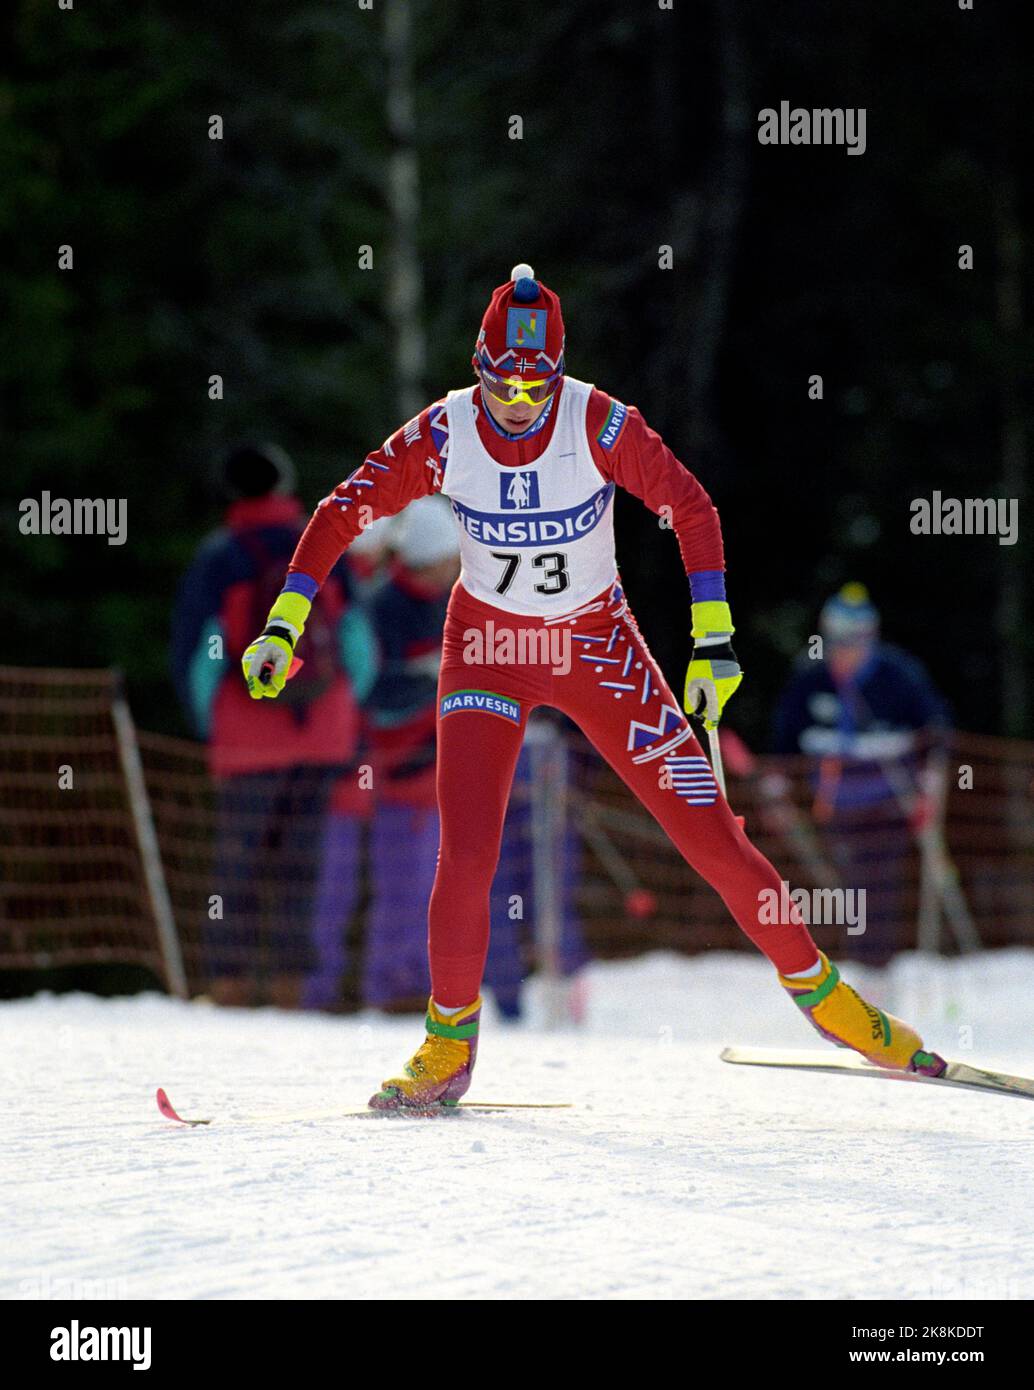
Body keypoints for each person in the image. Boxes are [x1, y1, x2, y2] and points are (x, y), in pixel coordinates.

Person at [240, 266, 946, 1106]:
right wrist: (285, 621)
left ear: (560, 370)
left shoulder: (598, 421)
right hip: (488, 648)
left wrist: (712, 639)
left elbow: (690, 507)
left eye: (536, 383)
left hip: (596, 647)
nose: (518, 402)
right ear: (480, 367)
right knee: (466, 851)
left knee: (712, 835)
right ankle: (448, 1045)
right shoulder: (445, 432)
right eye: (503, 383)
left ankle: (828, 1000)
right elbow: (340, 513)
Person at [171, 442, 366, 1009]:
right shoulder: (323, 543)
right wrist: (347, 712)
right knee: (300, 864)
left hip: (246, 738)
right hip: (322, 734)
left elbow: (200, 654)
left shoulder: (219, 556)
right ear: (284, 483)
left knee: (237, 863)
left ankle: (228, 985)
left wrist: (213, 727)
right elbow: (358, 644)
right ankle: (288, 988)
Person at [773, 583, 951, 964]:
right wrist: (777, 783)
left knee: (878, 884)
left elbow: (937, 730)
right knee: (838, 885)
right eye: (836, 641)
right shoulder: (811, 678)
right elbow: (784, 741)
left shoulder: (899, 675)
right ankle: (844, 963)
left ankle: (876, 965)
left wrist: (930, 778)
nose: (844, 651)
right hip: (833, 807)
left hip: (888, 804)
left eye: (853, 641)